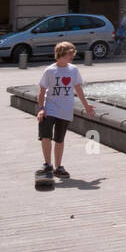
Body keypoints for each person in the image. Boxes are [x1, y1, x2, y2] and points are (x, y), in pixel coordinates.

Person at [35, 41, 96, 179]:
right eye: (70, 54)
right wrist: (41, 108)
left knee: (59, 139)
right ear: (61, 54)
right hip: (50, 109)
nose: (72, 56)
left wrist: (86, 106)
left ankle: (58, 167)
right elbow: (42, 91)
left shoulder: (73, 70)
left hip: (65, 110)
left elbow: (78, 89)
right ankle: (47, 165)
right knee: (45, 136)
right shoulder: (49, 71)